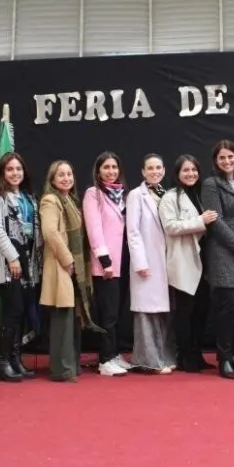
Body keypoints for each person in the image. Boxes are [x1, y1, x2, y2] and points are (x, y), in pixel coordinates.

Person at [0, 152, 41, 382]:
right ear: (2, 172)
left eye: (18, 169)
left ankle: (16, 359)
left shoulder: (28, 197)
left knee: (22, 312)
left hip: (28, 262)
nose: (15, 173)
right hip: (7, 263)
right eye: (10, 169)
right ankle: (3, 362)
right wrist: (12, 257)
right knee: (13, 310)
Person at [201, 140, 234, 380]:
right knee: (227, 307)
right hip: (223, 252)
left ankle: (232, 354)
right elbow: (215, 221)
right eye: (221, 157)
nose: (227, 161)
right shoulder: (211, 184)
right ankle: (223, 358)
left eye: (230, 156)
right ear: (215, 161)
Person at [39, 160, 96, 383]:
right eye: (61, 175)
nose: (66, 178)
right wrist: (67, 259)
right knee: (62, 319)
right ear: (52, 179)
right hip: (60, 264)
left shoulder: (71, 200)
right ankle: (61, 369)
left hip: (72, 266)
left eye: (69, 174)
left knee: (72, 319)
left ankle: (72, 365)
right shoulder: (50, 200)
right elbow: (50, 232)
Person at [160, 154, 217, 373]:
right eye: (186, 170)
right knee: (185, 312)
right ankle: (184, 355)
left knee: (202, 310)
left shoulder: (203, 194)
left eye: (194, 170)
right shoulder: (170, 197)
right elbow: (170, 227)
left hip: (204, 261)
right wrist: (200, 221)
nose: (191, 174)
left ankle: (197, 354)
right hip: (184, 260)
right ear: (177, 173)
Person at [82, 152, 132, 377]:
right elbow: (94, 229)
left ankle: (114, 353)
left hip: (124, 260)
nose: (111, 171)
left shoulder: (124, 195)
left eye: (114, 167)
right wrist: (105, 260)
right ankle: (105, 359)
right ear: (98, 171)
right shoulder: (93, 194)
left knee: (118, 311)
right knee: (108, 313)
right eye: (106, 167)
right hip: (106, 264)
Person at [126, 153, 177, 374]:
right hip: (146, 261)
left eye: (158, 168)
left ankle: (164, 357)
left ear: (164, 171)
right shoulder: (136, 195)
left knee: (162, 311)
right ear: (143, 172)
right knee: (146, 312)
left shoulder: (166, 194)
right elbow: (133, 231)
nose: (154, 171)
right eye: (150, 168)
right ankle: (148, 361)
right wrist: (140, 262)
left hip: (165, 260)